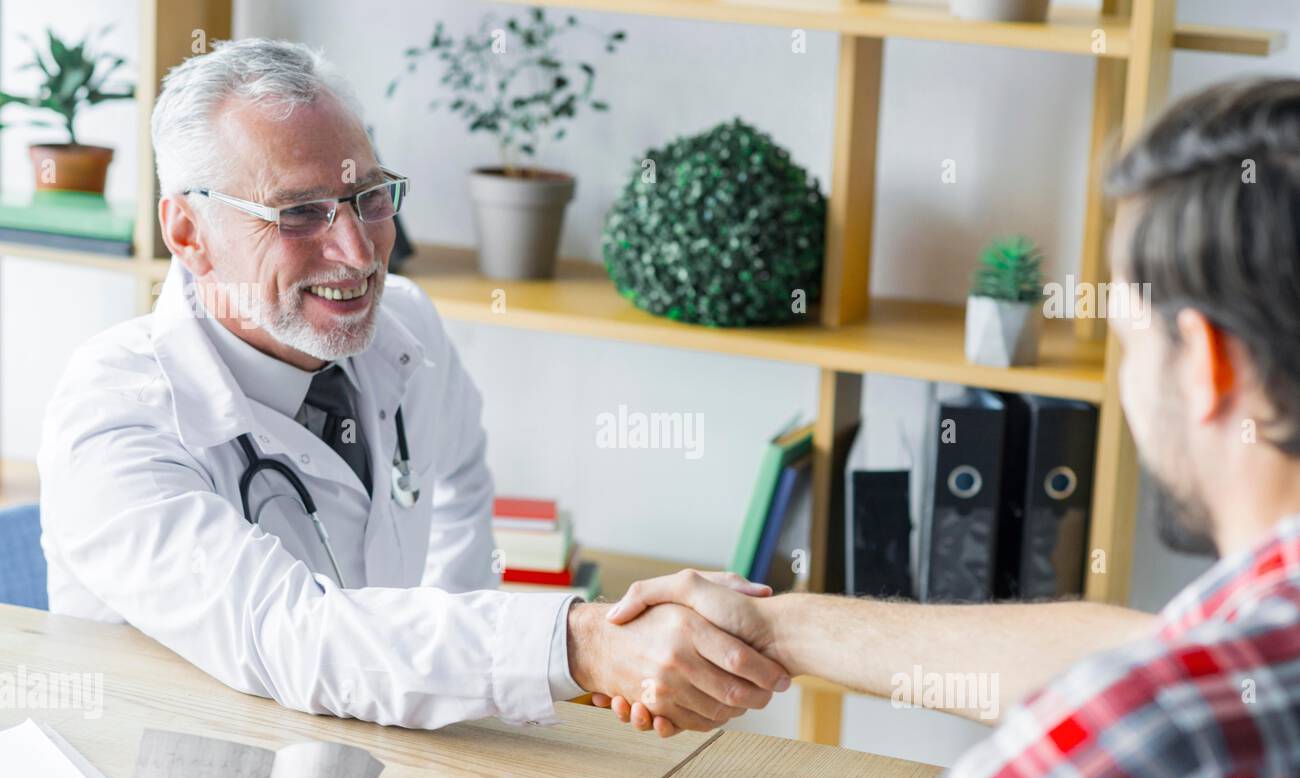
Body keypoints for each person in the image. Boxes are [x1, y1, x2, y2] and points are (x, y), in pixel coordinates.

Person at [600, 76, 1300, 778]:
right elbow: (1145, 648)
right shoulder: (1238, 652)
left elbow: (1145, 688)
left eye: (1130, 342)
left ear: (1206, 364)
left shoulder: (1161, 731)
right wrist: (772, 625)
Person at [37, 38, 788, 734]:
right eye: (299, 213)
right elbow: (291, 633)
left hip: (378, 761)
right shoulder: (112, 417)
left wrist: (466, 680)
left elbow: (461, 483)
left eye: (368, 195)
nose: (360, 250)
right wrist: (577, 644)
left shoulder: (404, 327)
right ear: (188, 232)